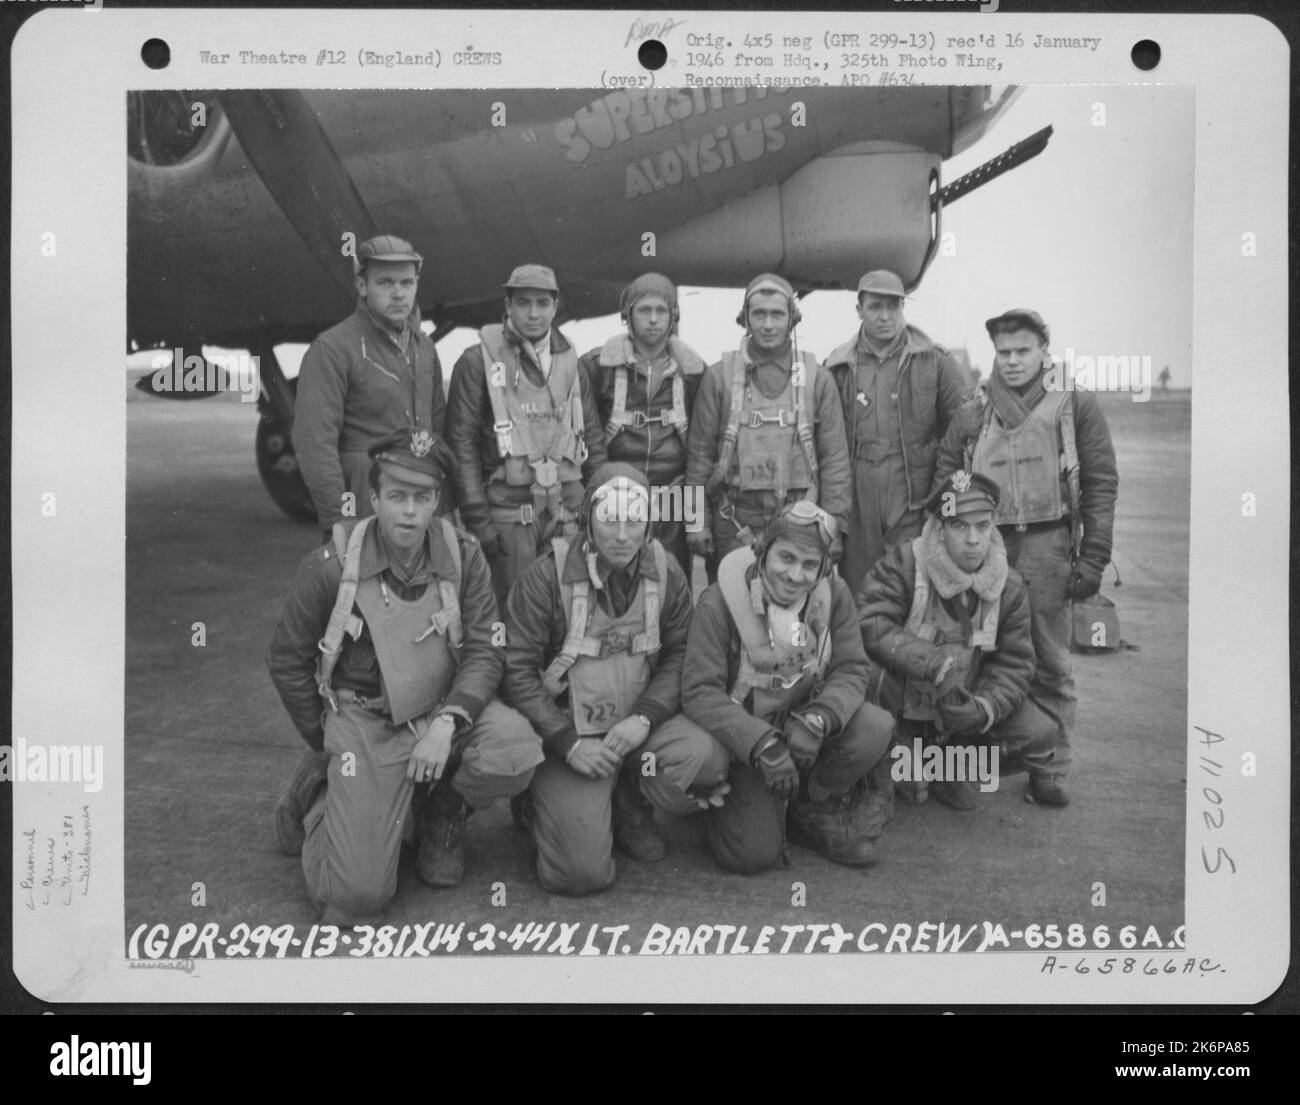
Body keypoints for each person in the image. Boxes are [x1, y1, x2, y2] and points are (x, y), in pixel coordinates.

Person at [266, 428, 543, 925]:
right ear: (374, 498)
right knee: (355, 901)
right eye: (396, 497)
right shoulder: (332, 567)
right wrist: (327, 736)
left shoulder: (463, 556)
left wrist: (450, 721)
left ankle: (441, 813)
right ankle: (321, 793)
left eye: (421, 497)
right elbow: (287, 659)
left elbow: (485, 648)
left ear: (437, 499)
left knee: (515, 749)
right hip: (366, 720)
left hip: (440, 709)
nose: (409, 511)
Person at [501, 464, 731, 895]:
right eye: (609, 520)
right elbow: (514, 668)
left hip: (634, 728)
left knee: (707, 756)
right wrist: (564, 740)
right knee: (580, 875)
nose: (622, 535)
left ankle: (628, 796)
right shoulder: (545, 578)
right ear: (588, 519)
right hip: (570, 737)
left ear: (649, 524)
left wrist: (646, 717)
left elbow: (683, 652)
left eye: (634, 520)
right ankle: (539, 803)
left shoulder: (667, 572)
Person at [933, 309, 1118, 805]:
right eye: (1003, 353)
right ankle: (968, 760)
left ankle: (1051, 765)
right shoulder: (975, 408)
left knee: (1050, 659)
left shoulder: (1073, 402)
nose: (1012, 362)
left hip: (1048, 544)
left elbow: (1100, 481)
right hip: (986, 544)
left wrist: (1094, 553)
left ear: (1043, 351)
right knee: (978, 654)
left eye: (1022, 351)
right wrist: (951, 539)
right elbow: (948, 469)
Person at [681, 500, 895, 872]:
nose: (796, 575)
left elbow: (852, 667)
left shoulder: (833, 595)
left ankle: (812, 807)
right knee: (750, 857)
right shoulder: (717, 604)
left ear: (824, 567)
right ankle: (725, 805)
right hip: (743, 741)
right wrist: (760, 744)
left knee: (874, 726)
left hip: (802, 721)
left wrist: (819, 719)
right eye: (786, 558)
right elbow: (699, 691)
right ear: (763, 552)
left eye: (810, 564)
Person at [856, 470, 1059, 810]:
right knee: (870, 678)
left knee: (1039, 732)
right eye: (959, 526)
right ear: (939, 527)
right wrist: (933, 663)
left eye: (982, 526)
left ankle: (943, 766)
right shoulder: (906, 564)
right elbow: (870, 624)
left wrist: (982, 710)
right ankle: (894, 758)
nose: (973, 540)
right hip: (901, 703)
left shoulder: (1008, 586)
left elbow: (1015, 664)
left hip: (959, 710)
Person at [446, 263, 607, 610]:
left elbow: (591, 437)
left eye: (542, 303)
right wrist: (478, 518)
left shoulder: (571, 363)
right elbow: (462, 444)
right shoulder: (476, 362)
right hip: (508, 512)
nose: (533, 313)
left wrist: (597, 506)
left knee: (571, 605)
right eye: (523, 303)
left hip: (569, 507)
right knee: (510, 611)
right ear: (507, 307)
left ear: (555, 306)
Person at [685, 273, 851, 580]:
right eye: (758, 314)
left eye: (777, 314)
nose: (768, 324)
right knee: (731, 610)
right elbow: (698, 457)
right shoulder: (718, 377)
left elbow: (835, 460)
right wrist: (697, 522)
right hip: (733, 517)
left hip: (800, 515)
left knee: (798, 610)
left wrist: (835, 526)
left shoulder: (818, 379)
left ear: (792, 319)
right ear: (745, 319)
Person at [822, 270, 970, 594]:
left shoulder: (936, 361)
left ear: (904, 308)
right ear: (859, 310)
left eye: (894, 306)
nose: (885, 316)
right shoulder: (835, 367)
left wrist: (942, 496)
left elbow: (962, 432)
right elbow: (825, 444)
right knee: (859, 583)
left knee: (911, 577)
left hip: (912, 486)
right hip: (858, 486)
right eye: (875, 307)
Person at [293, 235, 447, 539]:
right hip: (365, 506)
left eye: (407, 283)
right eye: (386, 283)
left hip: (419, 504)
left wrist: (443, 509)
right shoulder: (332, 349)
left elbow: (438, 432)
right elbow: (315, 443)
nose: (399, 293)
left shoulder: (424, 348)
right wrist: (340, 519)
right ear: (362, 286)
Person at [579, 274, 707, 577]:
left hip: (672, 495)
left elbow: (701, 447)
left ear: (673, 316)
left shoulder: (693, 370)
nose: (653, 320)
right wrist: (603, 493)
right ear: (627, 316)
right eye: (644, 310)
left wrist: (695, 514)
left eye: (661, 311)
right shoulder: (597, 367)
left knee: (671, 580)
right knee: (613, 580)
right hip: (615, 493)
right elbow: (592, 439)